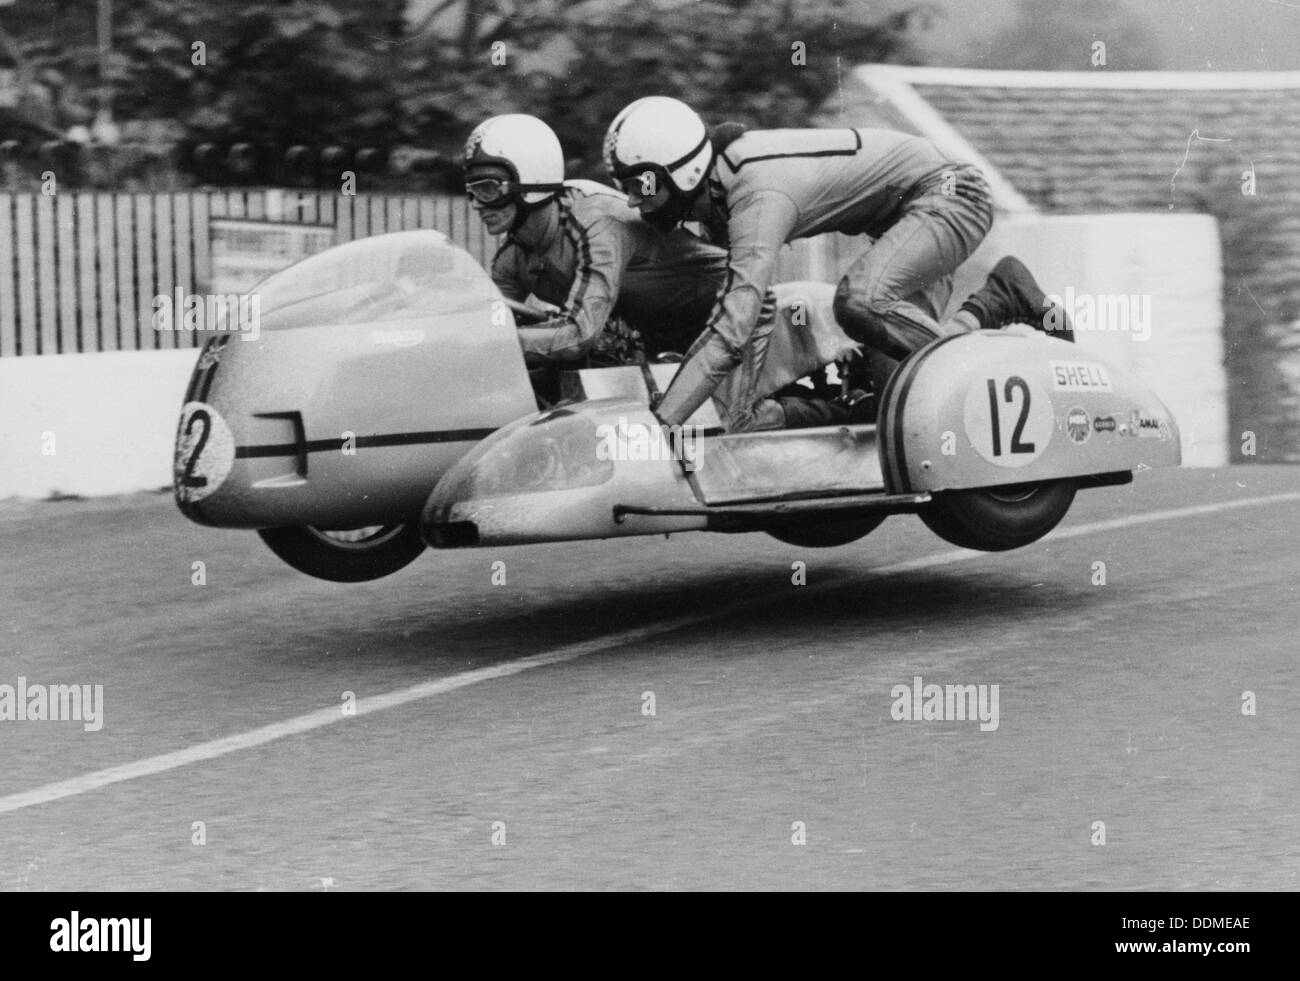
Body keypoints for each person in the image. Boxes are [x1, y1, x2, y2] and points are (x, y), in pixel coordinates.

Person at [602, 96, 1073, 428]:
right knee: (902, 402)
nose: (633, 200)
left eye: (641, 184)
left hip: (948, 193)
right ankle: (997, 298)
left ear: (682, 170)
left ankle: (998, 367)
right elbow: (752, 306)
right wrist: (735, 408)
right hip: (903, 217)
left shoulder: (756, 194)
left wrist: (663, 421)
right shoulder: (716, 200)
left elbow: (732, 326)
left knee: (859, 303)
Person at [464, 113, 851, 429]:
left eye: (487, 189)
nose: (478, 204)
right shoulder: (513, 256)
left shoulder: (594, 221)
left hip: (728, 313)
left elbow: (577, 334)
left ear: (528, 181)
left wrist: (489, 340)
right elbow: (495, 322)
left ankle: (851, 414)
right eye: (472, 191)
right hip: (663, 336)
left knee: (723, 422)